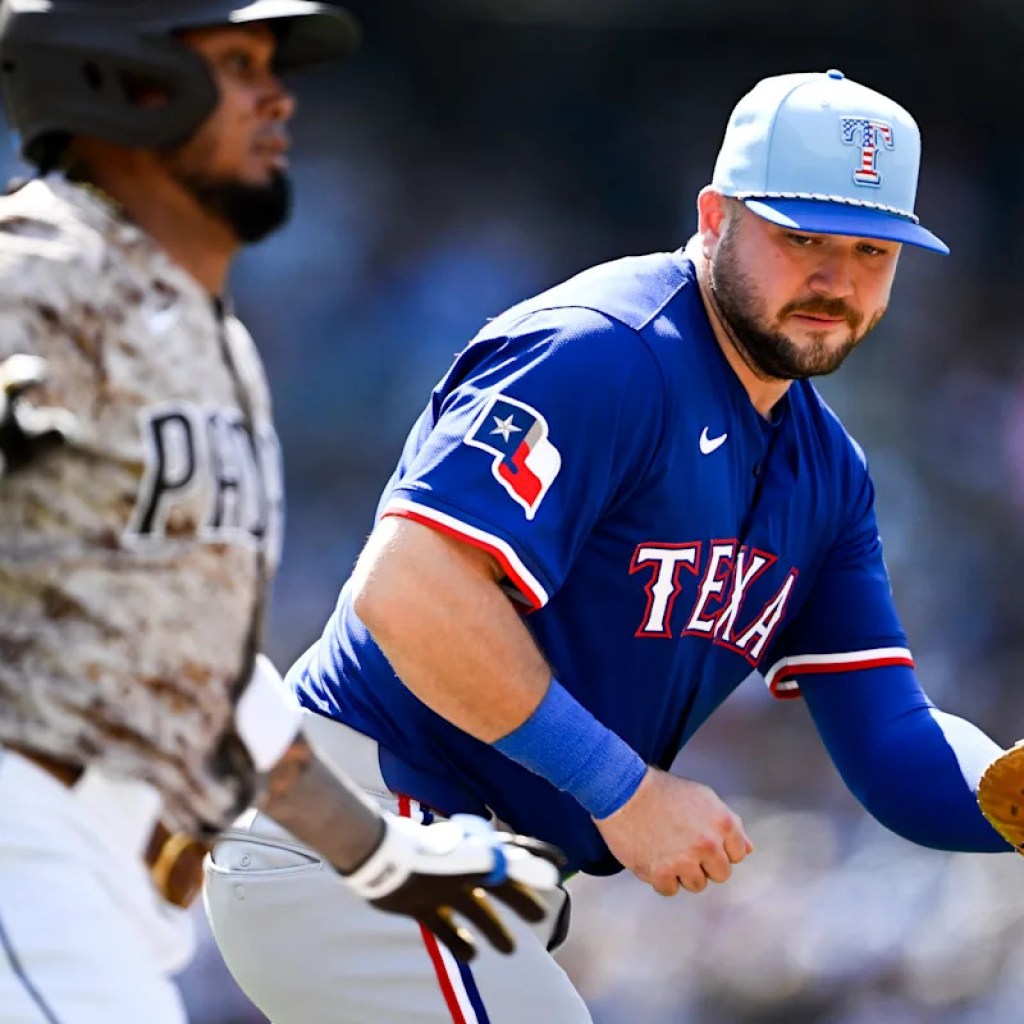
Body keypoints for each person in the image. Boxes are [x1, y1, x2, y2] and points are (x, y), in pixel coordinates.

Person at [203, 68, 1019, 1023]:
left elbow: (891, 743)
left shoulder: (827, 477)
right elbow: (409, 588)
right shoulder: (607, 351)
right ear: (716, 215)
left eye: (872, 251)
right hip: (357, 829)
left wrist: (1002, 788)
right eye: (802, 238)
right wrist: (620, 789)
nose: (836, 280)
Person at [0, 2, 567, 1022]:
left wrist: (381, 856)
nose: (277, 99)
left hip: (99, 898)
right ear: (119, 88)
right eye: (234, 66)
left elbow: (204, 672)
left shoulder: (196, 335)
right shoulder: (37, 285)